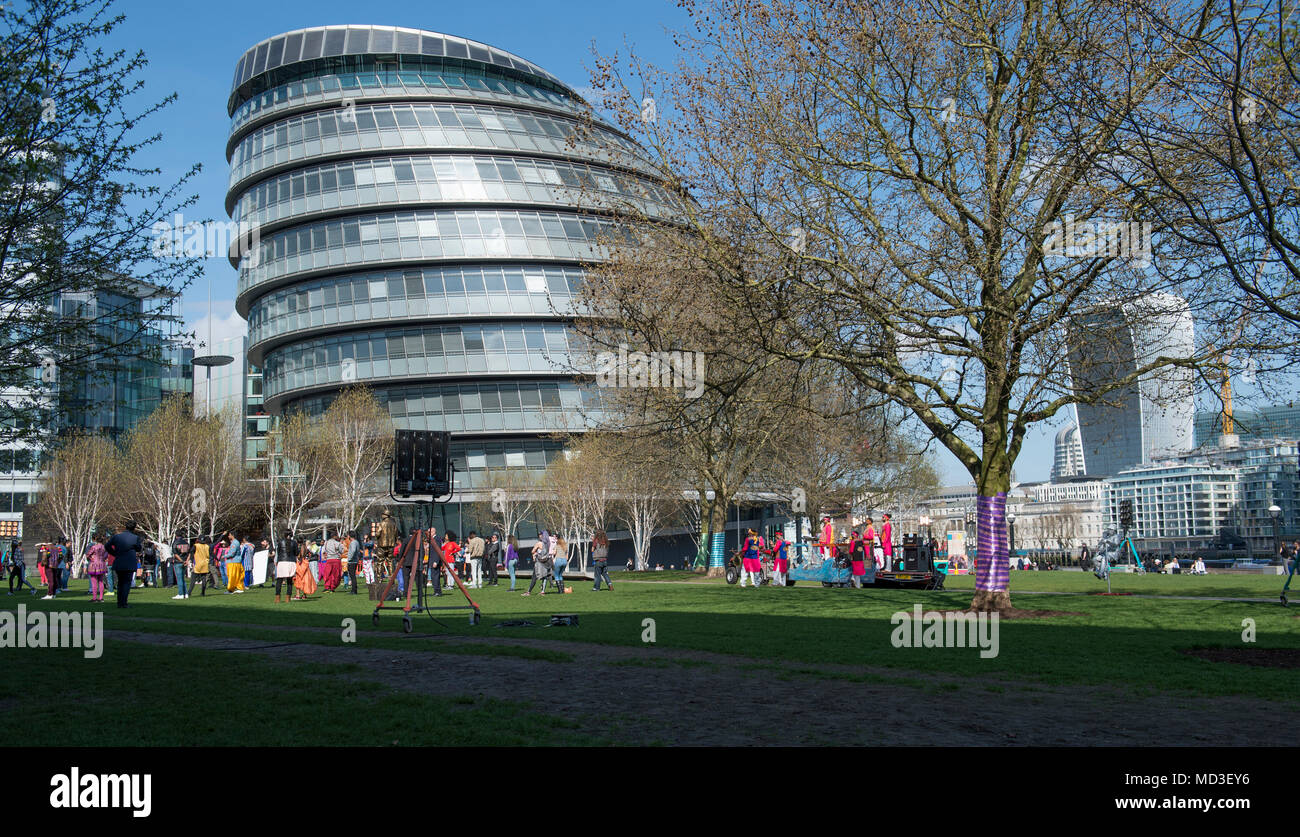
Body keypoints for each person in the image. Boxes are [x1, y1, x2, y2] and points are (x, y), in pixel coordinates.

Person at [106, 522, 143, 609]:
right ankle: (124, 602)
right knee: (126, 583)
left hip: (119, 561)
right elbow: (139, 548)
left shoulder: (117, 537)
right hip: (129, 562)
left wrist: (114, 553)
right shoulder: (135, 538)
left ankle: (120, 602)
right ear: (134, 528)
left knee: (120, 583)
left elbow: (107, 546)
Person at [523, 532, 552, 596]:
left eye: (541, 535)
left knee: (534, 577)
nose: (540, 536)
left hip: (539, 563)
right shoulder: (548, 544)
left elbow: (532, 551)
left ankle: (528, 592)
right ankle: (542, 591)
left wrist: (535, 553)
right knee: (545, 577)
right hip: (546, 562)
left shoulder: (539, 543)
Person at [275, 530, 298, 603]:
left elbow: (278, 552)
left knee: (279, 581)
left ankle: (277, 598)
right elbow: (296, 553)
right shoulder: (294, 543)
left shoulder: (280, 542)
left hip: (282, 562)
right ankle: (288, 598)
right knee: (289, 581)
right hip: (291, 562)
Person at [86, 534, 109, 603]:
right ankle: (101, 598)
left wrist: (91, 558)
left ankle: (94, 598)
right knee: (101, 581)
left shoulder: (94, 547)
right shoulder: (104, 547)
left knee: (94, 581)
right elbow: (106, 555)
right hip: (101, 564)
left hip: (94, 564)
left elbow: (88, 554)